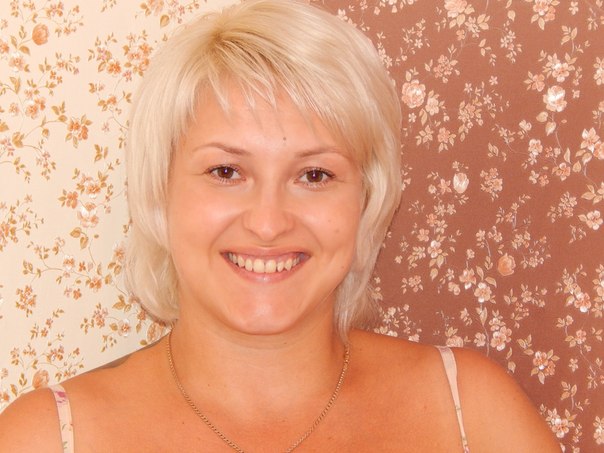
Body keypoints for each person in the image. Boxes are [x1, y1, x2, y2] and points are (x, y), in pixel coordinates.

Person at [0, 0, 560, 451]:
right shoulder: (44, 439)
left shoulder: (472, 412)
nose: (268, 223)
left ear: (367, 200)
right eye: (226, 171)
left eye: (314, 175)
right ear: (159, 193)